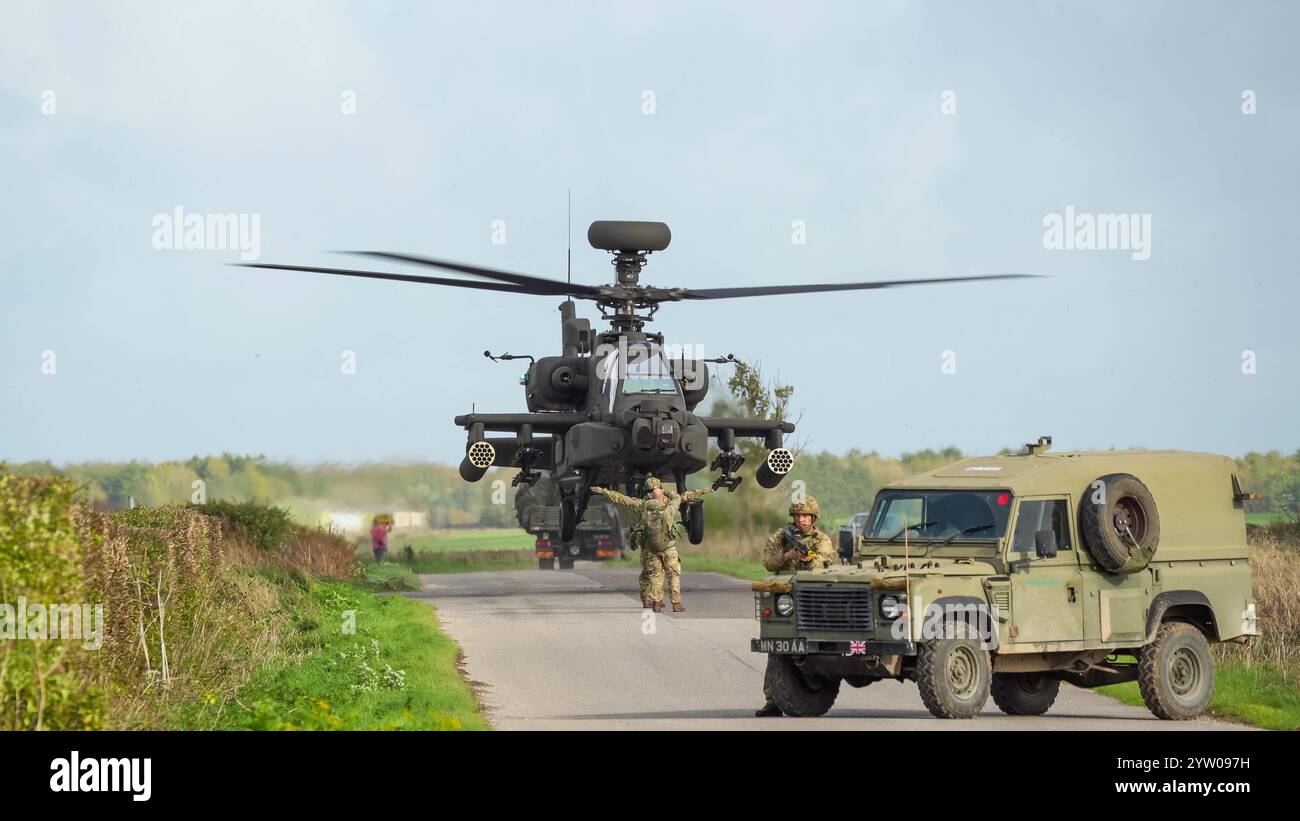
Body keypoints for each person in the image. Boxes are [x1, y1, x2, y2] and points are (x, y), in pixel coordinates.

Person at [756, 496, 836, 717]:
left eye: (806, 516)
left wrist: (808, 559)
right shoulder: (782, 536)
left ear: (813, 517)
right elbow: (767, 561)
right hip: (785, 597)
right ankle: (772, 700)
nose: (801, 519)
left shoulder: (822, 539)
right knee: (777, 649)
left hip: (812, 597)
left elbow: (824, 562)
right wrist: (787, 555)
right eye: (798, 515)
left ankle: (812, 689)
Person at [591, 477, 714, 612]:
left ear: (647, 491)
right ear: (659, 489)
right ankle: (675, 602)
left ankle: (651, 600)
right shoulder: (669, 503)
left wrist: (603, 491)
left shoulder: (642, 504)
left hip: (648, 544)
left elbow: (621, 499)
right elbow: (685, 496)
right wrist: (702, 491)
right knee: (672, 574)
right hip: (667, 544)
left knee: (651, 574)